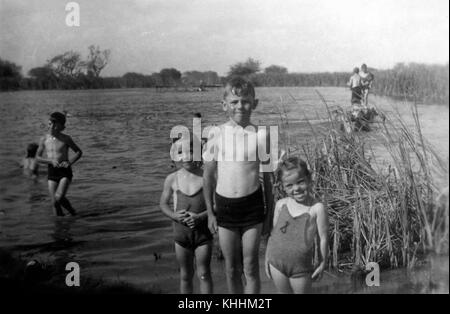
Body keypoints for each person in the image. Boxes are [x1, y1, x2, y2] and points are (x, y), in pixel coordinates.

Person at [203, 77, 274, 294]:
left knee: (251, 267)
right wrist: (210, 213)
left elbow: (269, 180)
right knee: (231, 268)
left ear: (255, 103)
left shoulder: (262, 134)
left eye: (244, 101)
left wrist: (269, 215)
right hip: (224, 207)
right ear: (224, 105)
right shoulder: (215, 133)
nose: (239, 106)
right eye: (234, 102)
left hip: (252, 207)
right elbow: (208, 176)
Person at [265, 157, 328, 294]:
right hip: (276, 262)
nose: (296, 188)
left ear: (309, 179)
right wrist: (267, 258)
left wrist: (323, 262)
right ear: (282, 186)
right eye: (289, 185)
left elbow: (322, 238)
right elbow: (273, 234)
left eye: (300, 182)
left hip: (300, 267)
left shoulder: (317, 208)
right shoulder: (281, 205)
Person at [159, 138, 213, 294]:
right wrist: (174, 216)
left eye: (191, 151)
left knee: (204, 274)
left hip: (203, 234)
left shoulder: (207, 176)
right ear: (175, 156)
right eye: (181, 152)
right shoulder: (172, 178)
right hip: (181, 235)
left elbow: (216, 205)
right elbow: (163, 204)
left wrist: (201, 217)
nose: (187, 156)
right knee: (185, 275)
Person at [36, 112, 82, 216]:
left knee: (59, 197)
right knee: (54, 203)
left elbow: (79, 152)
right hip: (52, 171)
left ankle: (73, 212)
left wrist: (69, 162)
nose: (50, 127)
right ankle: (59, 227)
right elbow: (37, 157)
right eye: (49, 124)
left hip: (64, 171)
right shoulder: (44, 139)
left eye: (53, 124)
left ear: (60, 126)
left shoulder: (66, 138)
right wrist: (50, 161)